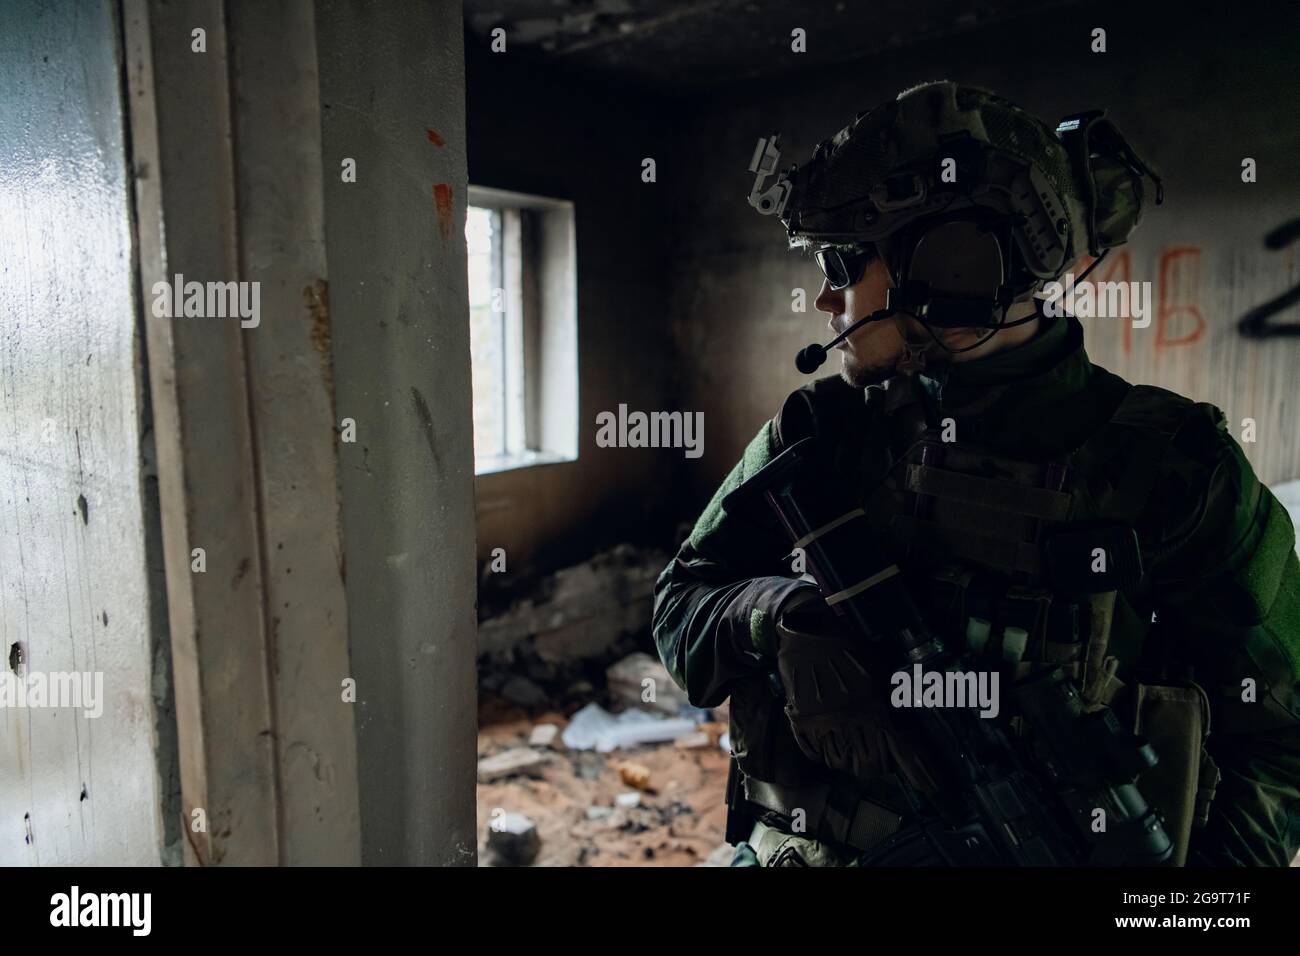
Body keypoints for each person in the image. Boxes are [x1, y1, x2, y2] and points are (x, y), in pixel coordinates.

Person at [652, 81, 1300, 867]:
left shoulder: (1175, 467)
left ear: (949, 265)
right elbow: (679, 609)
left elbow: (1280, 741)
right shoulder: (818, 435)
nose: (825, 297)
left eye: (843, 262)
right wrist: (777, 615)